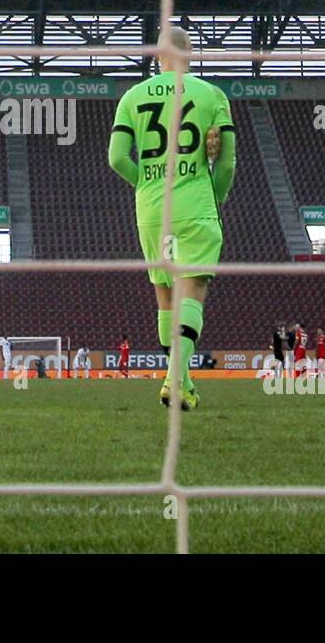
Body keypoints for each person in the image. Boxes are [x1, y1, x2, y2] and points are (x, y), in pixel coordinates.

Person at [107, 25, 236, 410]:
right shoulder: (211, 95)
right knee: (191, 292)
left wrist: (145, 185)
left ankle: (182, 383)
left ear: (157, 55)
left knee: (165, 297)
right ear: (190, 54)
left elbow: (116, 158)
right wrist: (215, 196)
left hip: (149, 210)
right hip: (194, 205)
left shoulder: (132, 96)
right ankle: (173, 382)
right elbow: (226, 163)